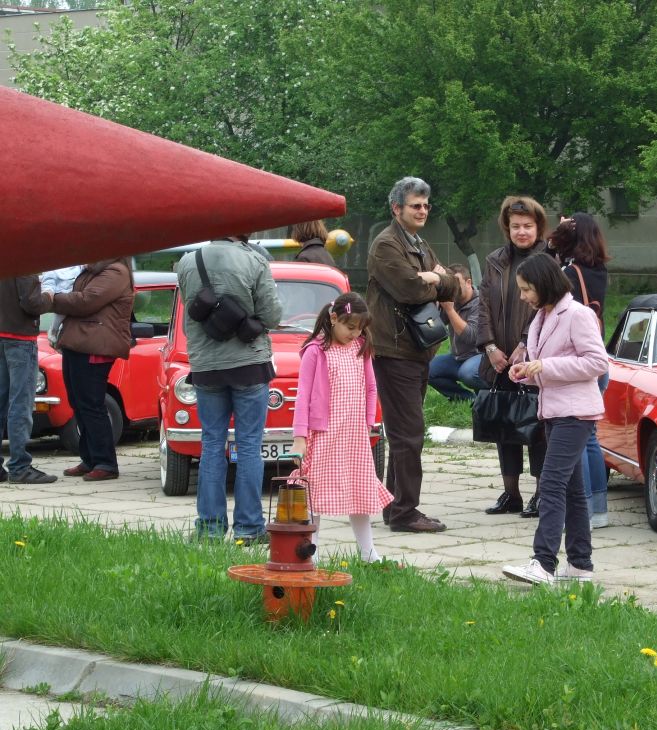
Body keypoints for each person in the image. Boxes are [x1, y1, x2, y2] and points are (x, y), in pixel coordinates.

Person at [501, 254, 608, 585]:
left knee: (551, 483)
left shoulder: (578, 314)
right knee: (573, 491)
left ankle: (543, 562)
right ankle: (580, 564)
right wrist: (526, 373)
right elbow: (546, 366)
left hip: (576, 413)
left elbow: (597, 363)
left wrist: (546, 367)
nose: (523, 296)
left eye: (526, 289)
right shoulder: (540, 318)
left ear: (543, 284)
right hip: (554, 411)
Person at [367, 176, 460, 534]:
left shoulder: (418, 242)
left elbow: (455, 285)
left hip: (417, 348)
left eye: (425, 205)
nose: (422, 211)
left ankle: (397, 507)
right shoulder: (386, 245)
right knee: (408, 433)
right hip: (395, 350)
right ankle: (405, 512)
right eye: (415, 206)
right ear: (396, 209)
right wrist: (434, 279)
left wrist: (436, 279)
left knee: (406, 432)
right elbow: (408, 288)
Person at [176, 236, 283, 543]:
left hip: (206, 366)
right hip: (249, 363)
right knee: (249, 444)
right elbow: (272, 316)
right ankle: (249, 528)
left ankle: (209, 528)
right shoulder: (255, 260)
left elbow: (190, 316)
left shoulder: (188, 261)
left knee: (212, 444)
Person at [292, 292, 390, 562]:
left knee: (360, 492)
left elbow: (371, 387)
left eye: (359, 328)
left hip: (354, 434)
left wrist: (369, 421)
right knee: (316, 494)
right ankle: (311, 553)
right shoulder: (316, 351)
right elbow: (303, 395)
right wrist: (299, 436)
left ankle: (368, 552)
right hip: (323, 434)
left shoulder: (361, 347)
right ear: (334, 318)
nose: (354, 332)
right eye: (350, 326)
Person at [476, 196, 550, 518]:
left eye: (528, 226)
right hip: (499, 359)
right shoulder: (495, 260)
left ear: (538, 227)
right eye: (515, 226)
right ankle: (511, 494)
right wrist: (490, 347)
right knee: (504, 426)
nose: (522, 232)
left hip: (532, 357)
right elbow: (483, 305)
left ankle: (541, 494)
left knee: (535, 427)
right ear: (507, 227)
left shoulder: (547, 259)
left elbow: (546, 305)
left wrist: (525, 344)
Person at [548, 213, 611, 528]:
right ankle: (598, 509)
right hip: (599, 361)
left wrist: (555, 237)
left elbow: (546, 286)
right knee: (591, 438)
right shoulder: (600, 271)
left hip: (577, 362)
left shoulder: (569, 273)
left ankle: (582, 510)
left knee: (577, 439)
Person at [50, 259, 134, 482]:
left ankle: (105, 462)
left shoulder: (116, 271)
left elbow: (86, 301)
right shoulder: (91, 271)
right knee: (78, 402)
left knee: (92, 404)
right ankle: (89, 459)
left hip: (96, 346)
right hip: (78, 343)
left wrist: (52, 299)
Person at [0, 275, 55, 484]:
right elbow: (31, 303)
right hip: (20, 338)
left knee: (2, 402)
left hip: (2, 333)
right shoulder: (24, 262)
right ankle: (19, 466)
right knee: (20, 404)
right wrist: (49, 296)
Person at [427, 264, 485, 400]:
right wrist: (435, 300)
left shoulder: (481, 303)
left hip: (479, 356)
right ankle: (466, 398)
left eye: (456, 283)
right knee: (428, 369)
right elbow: (436, 325)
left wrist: (450, 310)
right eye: (450, 283)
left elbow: (471, 336)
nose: (453, 288)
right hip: (457, 357)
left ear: (468, 282)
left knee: (467, 373)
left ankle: (486, 397)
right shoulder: (454, 300)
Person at [40, 264, 83, 346]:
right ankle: (54, 329)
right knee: (61, 313)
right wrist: (49, 293)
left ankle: (56, 330)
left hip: (74, 297)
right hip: (60, 294)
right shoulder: (52, 269)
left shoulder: (80, 267)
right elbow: (48, 283)